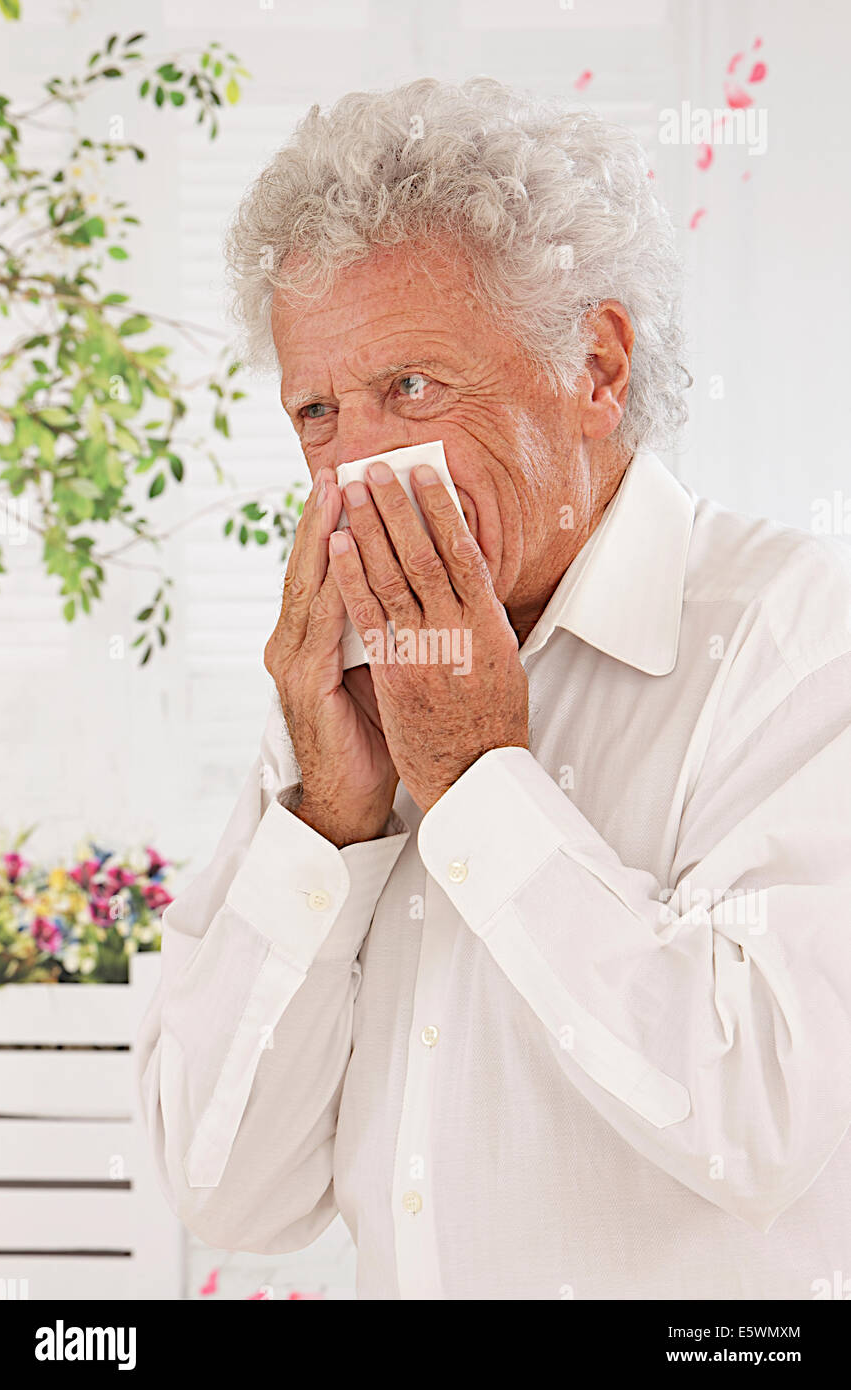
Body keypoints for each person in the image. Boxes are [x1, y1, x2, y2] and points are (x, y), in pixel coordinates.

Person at [136, 77, 851, 1300]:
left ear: (595, 367)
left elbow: (761, 1117)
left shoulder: (797, 635)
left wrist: (477, 782)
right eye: (318, 410)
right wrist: (327, 826)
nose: (360, 465)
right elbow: (230, 1191)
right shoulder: (338, 685)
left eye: (411, 388)